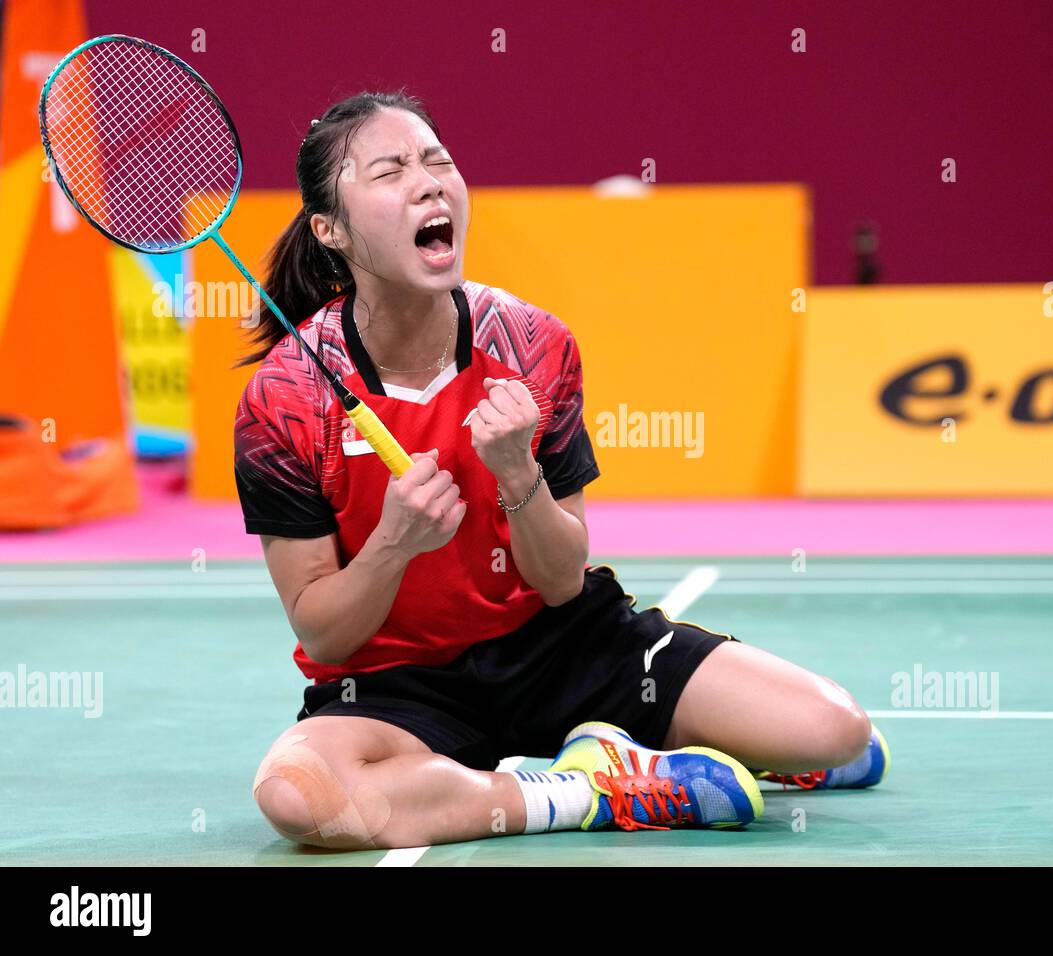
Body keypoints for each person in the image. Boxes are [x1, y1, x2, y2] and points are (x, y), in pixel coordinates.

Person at [235, 91, 889, 849]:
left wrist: (520, 477)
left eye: (438, 161)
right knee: (299, 798)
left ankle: (591, 761)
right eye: (390, 171)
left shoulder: (532, 344)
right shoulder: (285, 396)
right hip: (396, 684)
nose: (429, 183)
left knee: (836, 730)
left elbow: (562, 580)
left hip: (560, 646)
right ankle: (586, 788)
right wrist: (392, 545)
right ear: (331, 230)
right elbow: (326, 632)